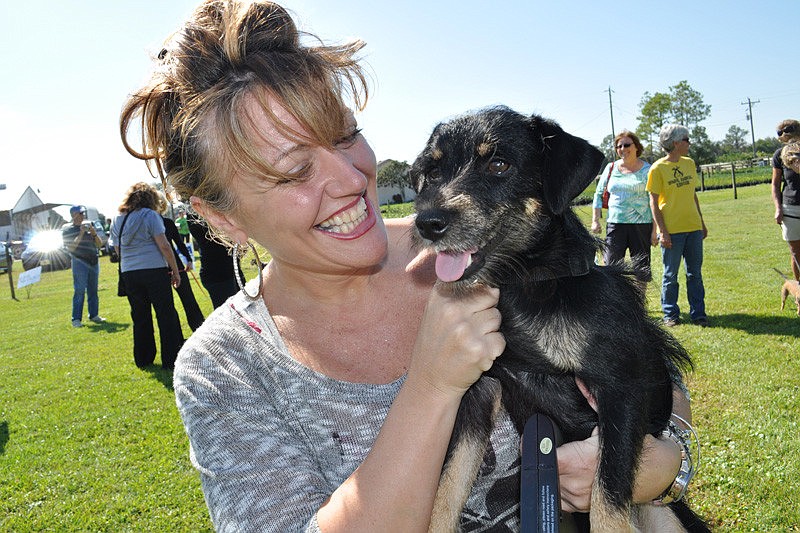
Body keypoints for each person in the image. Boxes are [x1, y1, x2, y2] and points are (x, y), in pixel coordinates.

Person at [120, 1, 691, 530]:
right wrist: (432, 386)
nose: (350, 179)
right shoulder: (226, 369)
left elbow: (636, 359)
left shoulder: (488, 250)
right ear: (221, 217)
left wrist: (663, 463)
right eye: (295, 171)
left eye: (346, 136)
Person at [109, 182, 184, 371]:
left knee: (140, 316)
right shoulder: (151, 216)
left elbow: (117, 249)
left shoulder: (118, 219)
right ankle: (171, 357)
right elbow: (164, 245)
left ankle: (143, 358)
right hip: (153, 269)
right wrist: (175, 270)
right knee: (165, 314)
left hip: (129, 272)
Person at [647, 124, 709, 328]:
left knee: (695, 274)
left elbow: (693, 195)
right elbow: (653, 202)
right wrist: (662, 231)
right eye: (686, 140)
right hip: (672, 231)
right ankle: (670, 314)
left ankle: (698, 313)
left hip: (693, 228)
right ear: (675, 143)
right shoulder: (657, 168)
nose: (689, 143)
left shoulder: (690, 164)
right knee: (670, 275)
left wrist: (701, 222)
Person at [590, 130, 656, 279]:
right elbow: (599, 194)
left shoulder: (648, 170)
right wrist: (595, 219)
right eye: (619, 146)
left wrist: (655, 230)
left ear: (636, 147)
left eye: (627, 145)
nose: (622, 149)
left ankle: (640, 301)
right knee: (611, 267)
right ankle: (615, 301)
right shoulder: (611, 168)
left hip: (641, 225)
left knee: (642, 270)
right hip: (615, 224)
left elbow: (654, 200)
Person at [158, 195, 205, 331]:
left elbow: (179, 243)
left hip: (175, 266)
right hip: (161, 268)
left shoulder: (167, 223)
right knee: (170, 306)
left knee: (188, 301)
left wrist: (189, 259)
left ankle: (198, 331)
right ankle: (177, 338)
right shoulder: (153, 224)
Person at [187, 211, 244, 309]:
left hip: (230, 270)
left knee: (244, 308)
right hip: (218, 274)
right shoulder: (195, 215)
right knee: (230, 314)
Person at [62, 205, 105, 327]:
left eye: (84, 213)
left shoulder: (90, 227)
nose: (83, 215)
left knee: (93, 290)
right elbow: (71, 248)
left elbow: (99, 244)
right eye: (80, 213)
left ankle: (94, 315)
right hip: (79, 262)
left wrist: (94, 233)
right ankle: (76, 319)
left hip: (93, 261)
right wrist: (80, 233)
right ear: (73, 215)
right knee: (79, 290)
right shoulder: (68, 230)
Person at [771, 119, 800, 281]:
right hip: (790, 208)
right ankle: (799, 294)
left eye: (787, 130)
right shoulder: (779, 155)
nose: (784, 135)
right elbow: (775, 184)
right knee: (796, 253)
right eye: (781, 132)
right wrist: (778, 208)